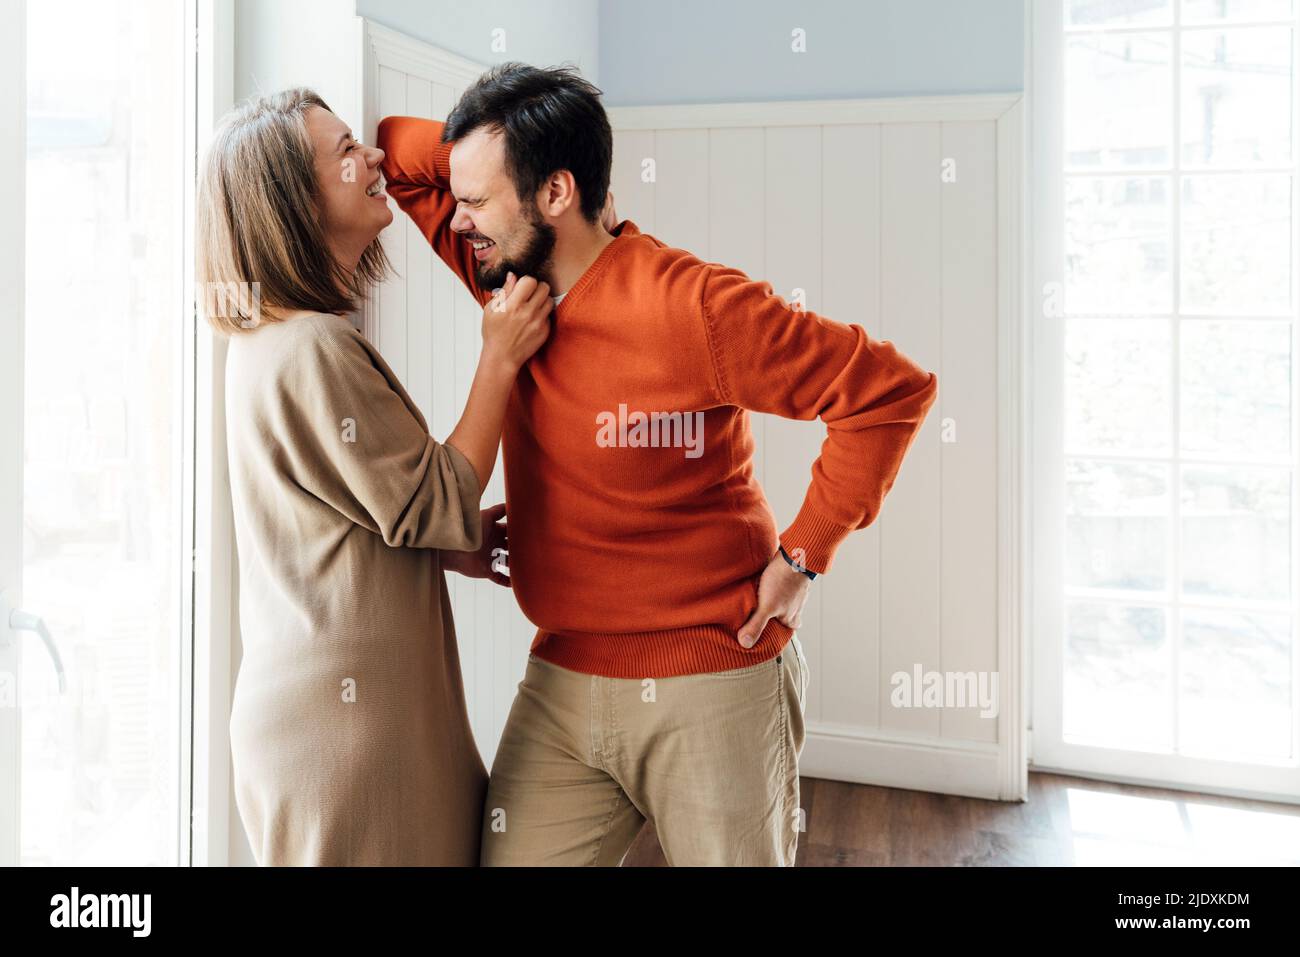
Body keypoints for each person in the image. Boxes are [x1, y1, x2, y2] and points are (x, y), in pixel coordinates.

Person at [378, 63, 938, 866]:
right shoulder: (506, 280)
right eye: (457, 197)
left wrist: (802, 555)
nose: (457, 219)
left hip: (713, 684)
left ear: (556, 194)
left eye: (475, 199)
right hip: (564, 682)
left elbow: (888, 394)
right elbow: (401, 154)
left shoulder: (697, 306)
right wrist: (499, 147)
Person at [196, 87, 553, 865]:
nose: (377, 158)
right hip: (351, 736)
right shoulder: (315, 347)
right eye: (345, 152)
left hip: (323, 722)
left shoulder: (265, 342)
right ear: (294, 202)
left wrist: (441, 548)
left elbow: (343, 518)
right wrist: (500, 356)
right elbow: (441, 497)